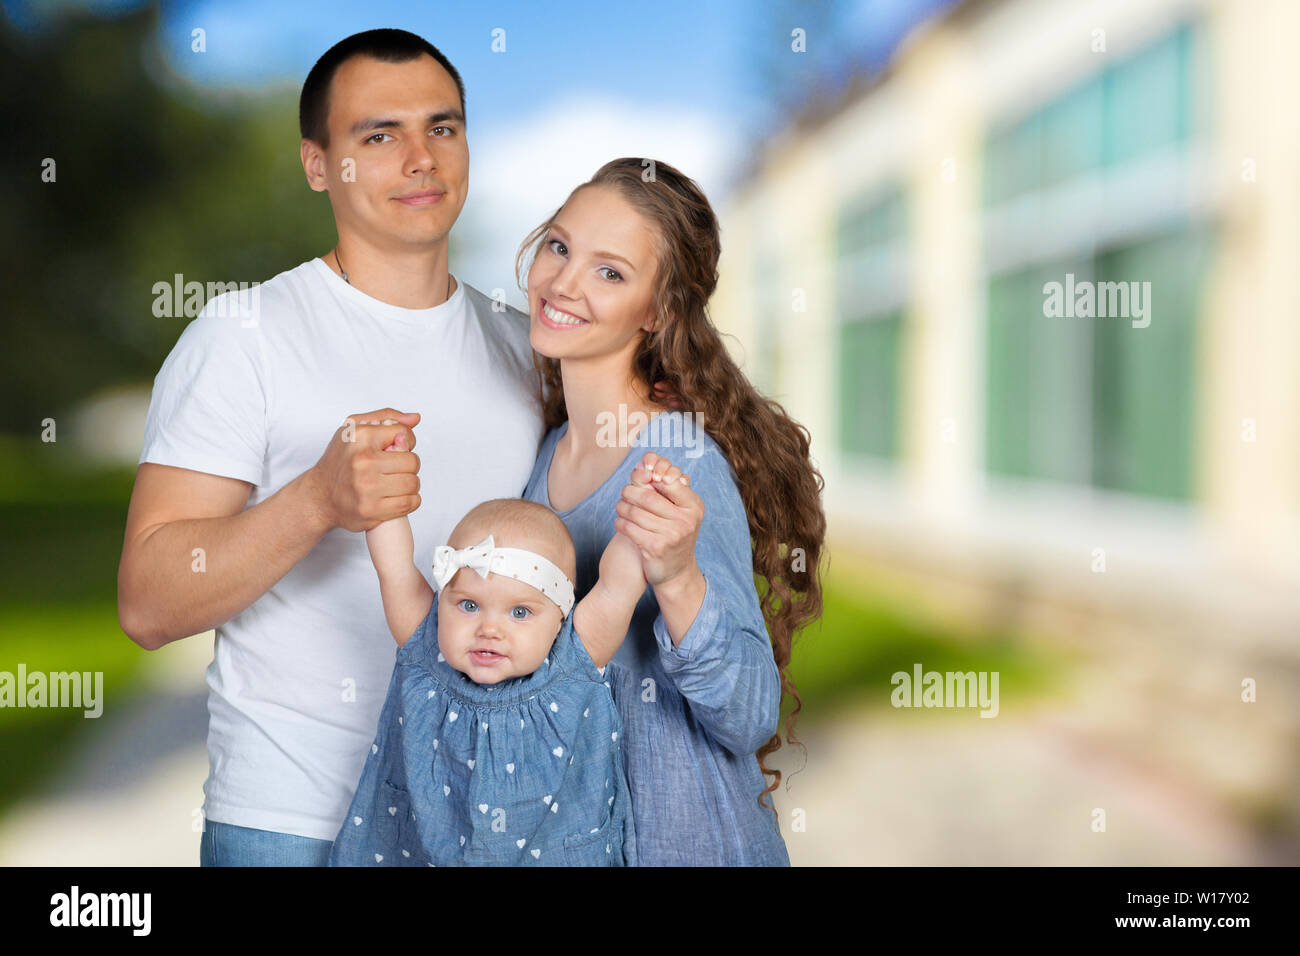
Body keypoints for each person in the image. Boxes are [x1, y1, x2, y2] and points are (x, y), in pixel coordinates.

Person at [117, 29, 557, 866]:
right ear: (319, 164)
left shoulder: (525, 351)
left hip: (480, 816)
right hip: (291, 821)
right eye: (379, 135)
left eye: (444, 127)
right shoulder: (244, 334)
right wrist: (316, 500)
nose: (421, 158)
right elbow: (146, 601)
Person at [517, 157, 827, 865]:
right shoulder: (550, 453)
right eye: (560, 247)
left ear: (658, 313)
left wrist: (680, 578)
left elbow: (749, 715)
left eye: (610, 272)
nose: (563, 282)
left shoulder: (677, 463)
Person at [328, 454, 687, 866]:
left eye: (519, 612)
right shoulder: (426, 650)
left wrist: (646, 504)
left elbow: (619, 584)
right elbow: (393, 566)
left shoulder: (574, 663)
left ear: (560, 617)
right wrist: (381, 480)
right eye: (468, 605)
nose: (489, 629)